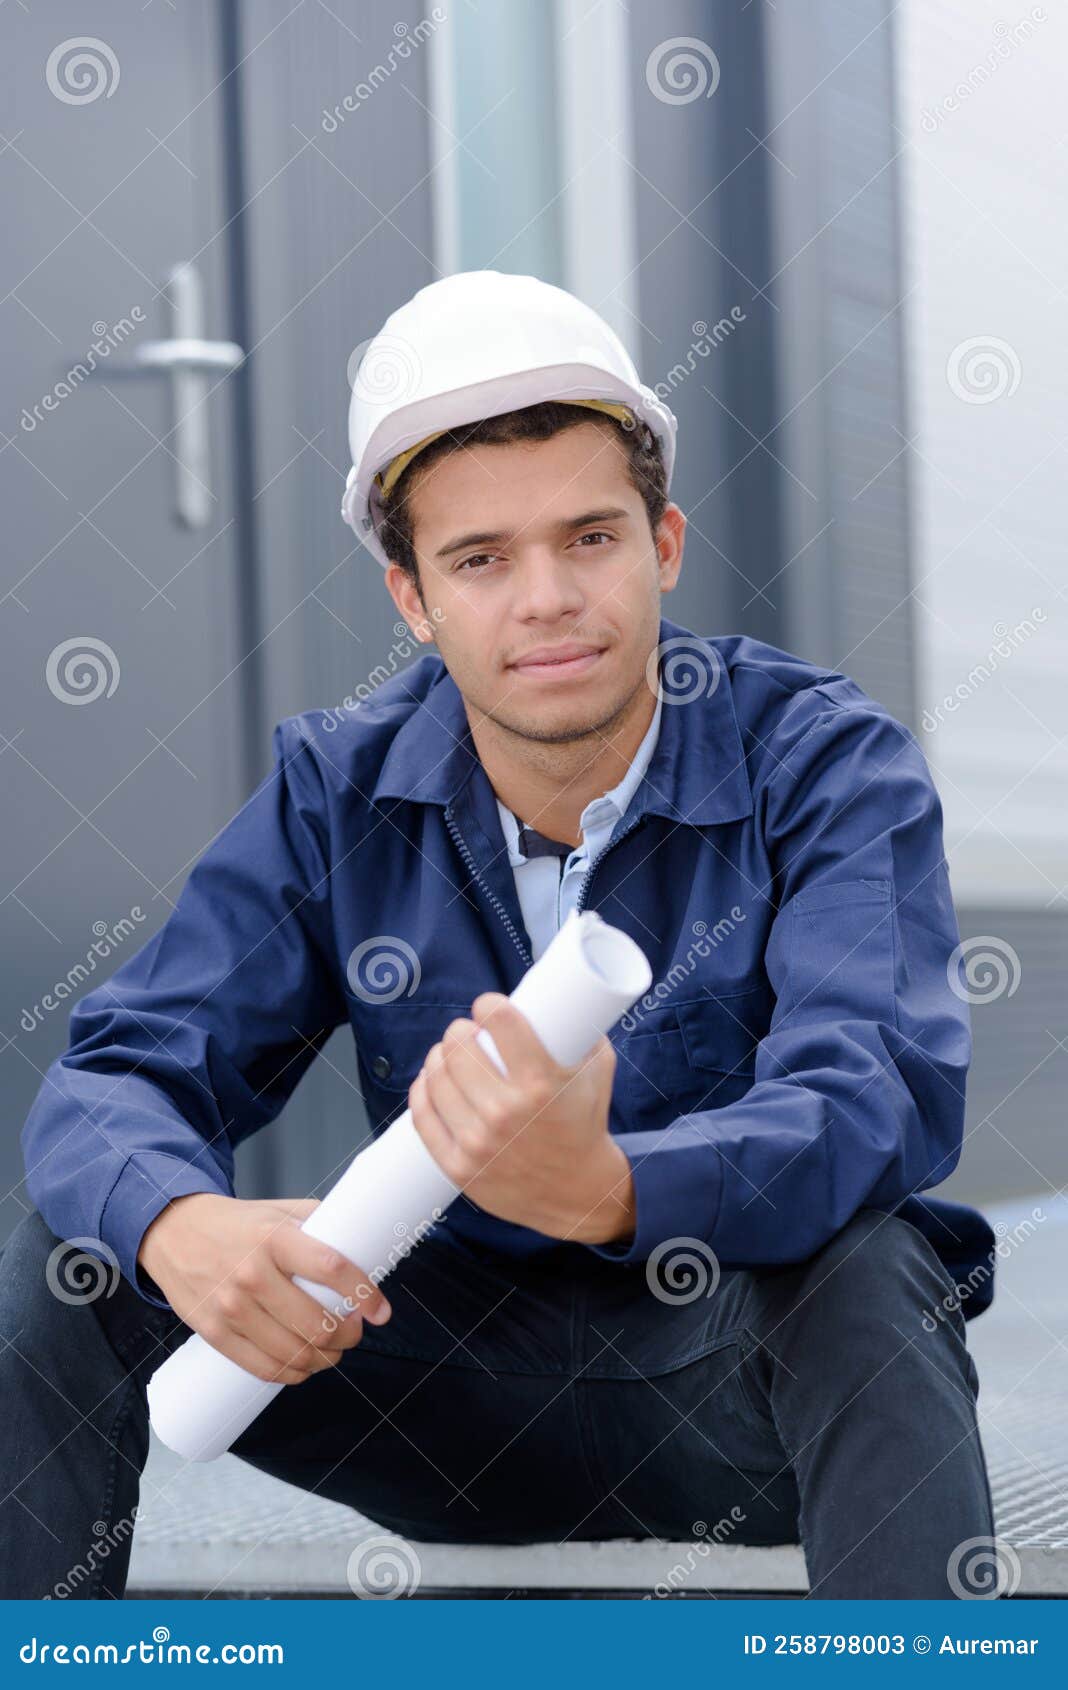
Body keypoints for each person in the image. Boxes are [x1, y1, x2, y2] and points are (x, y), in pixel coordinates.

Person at [3, 271, 998, 1600]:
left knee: (878, 1269)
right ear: (412, 598)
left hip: (737, 1403)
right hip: (439, 1392)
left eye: (589, 537)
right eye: (480, 559)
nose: (546, 599)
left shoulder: (822, 762)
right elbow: (117, 1074)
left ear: (665, 544)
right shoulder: (337, 793)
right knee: (75, 1244)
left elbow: (876, 1095)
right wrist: (182, 1222)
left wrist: (613, 1188)